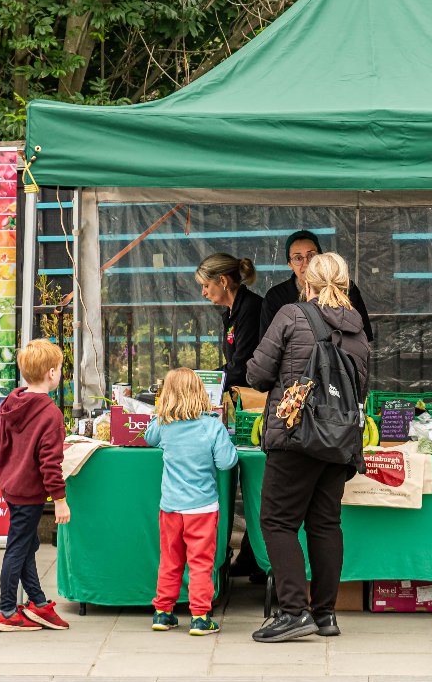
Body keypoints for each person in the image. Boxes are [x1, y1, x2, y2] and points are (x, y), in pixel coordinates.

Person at [245, 252, 371, 643]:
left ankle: (294, 611)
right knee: (325, 524)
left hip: (296, 436)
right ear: (345, 283)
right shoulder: (358, 330)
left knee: (278, 521)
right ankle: (326, 614)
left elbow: (258, 375)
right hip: (339, 441)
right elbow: (361, 389)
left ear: (307, 283)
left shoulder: (291, 314)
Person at [144, 367, 239, 636]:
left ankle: (163, 612)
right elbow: (226, 461)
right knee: (200, 563)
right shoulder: (211, 425)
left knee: (170, 560)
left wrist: (158, 413)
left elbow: (150, 437)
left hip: (171, 507)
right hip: (203, 508)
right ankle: (200, 617)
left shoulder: (164, 425)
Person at [0, 339, 72, 633]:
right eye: (61, 369)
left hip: (11, 485)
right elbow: (50, 462)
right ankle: (7, 611)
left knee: (25, 545)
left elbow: (3, 445)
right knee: (17, 549)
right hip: (28, 491)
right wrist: (60, 499)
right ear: (51, 373)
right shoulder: (50, 414)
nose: (61, 373)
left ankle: (37, 603)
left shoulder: (12, 402)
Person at [261, 230, 374, 340]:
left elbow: (364, 337)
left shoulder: (345, 288)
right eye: (298, 258)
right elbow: (267, 345)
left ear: (320, 257)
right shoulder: (275, 297)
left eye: (311, 255)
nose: (306, 263)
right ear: (290, 264)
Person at [196, 252, 264, 393]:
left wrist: (200, 380)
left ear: (223, 281)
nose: (203, 293)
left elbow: (241, 366)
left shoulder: (250, 308)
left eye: (206, 286)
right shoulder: (231, 312)